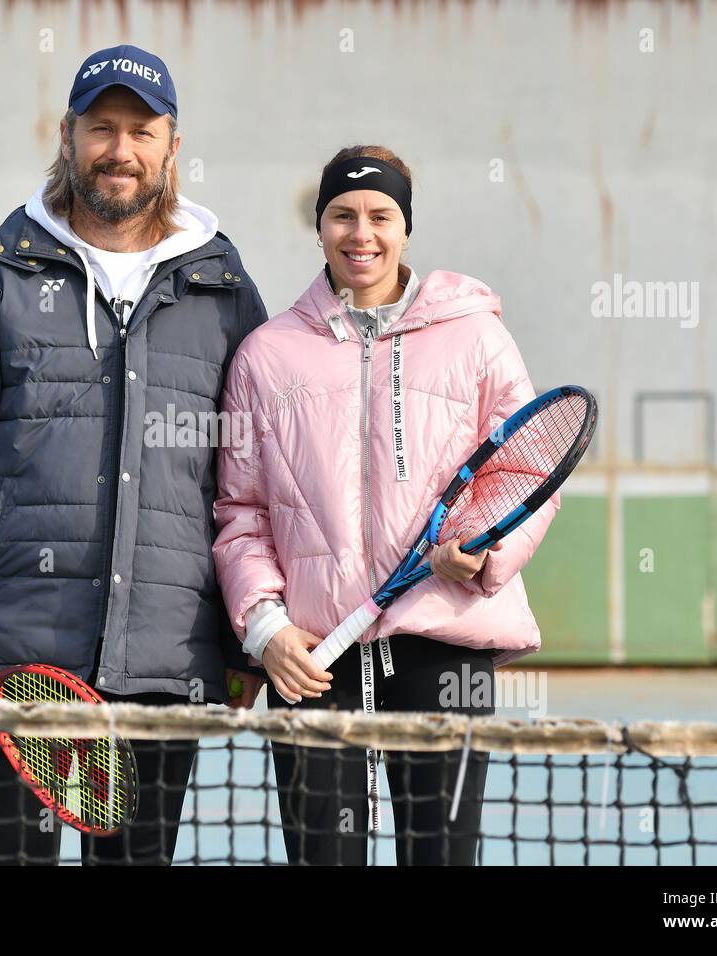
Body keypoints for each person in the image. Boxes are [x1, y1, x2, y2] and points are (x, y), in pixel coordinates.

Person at [0, 44, 266, 865]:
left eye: (142, 131)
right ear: (68, 136)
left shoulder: (225, 293)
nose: (120, 150)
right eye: (102, 127)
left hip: (166, 661)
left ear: (172, 146)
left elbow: (251, 481)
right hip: (15, 658)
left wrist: (243, 641)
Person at [212, 145, 559, 865]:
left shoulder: (477, 339)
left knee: (441, 854)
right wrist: (266, 627)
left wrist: (481, 548)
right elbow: (241, 512)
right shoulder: (265, 355)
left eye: (380, 215)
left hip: (443, 647)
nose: (360, 233)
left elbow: (524, 469)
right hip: (313, 658)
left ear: (406, 228)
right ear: (319, 227)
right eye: (342, 214)